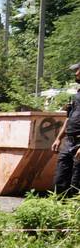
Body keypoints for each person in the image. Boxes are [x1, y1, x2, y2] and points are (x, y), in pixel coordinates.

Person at [50, 61, 80, 197]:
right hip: (68, 142)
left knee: (76, 184)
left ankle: (74, 215)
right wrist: (58, 138)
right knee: (60, 181)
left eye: (78, 70)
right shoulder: (77, 95)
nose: (76, 73)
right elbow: (69, 118)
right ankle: (58, 211)